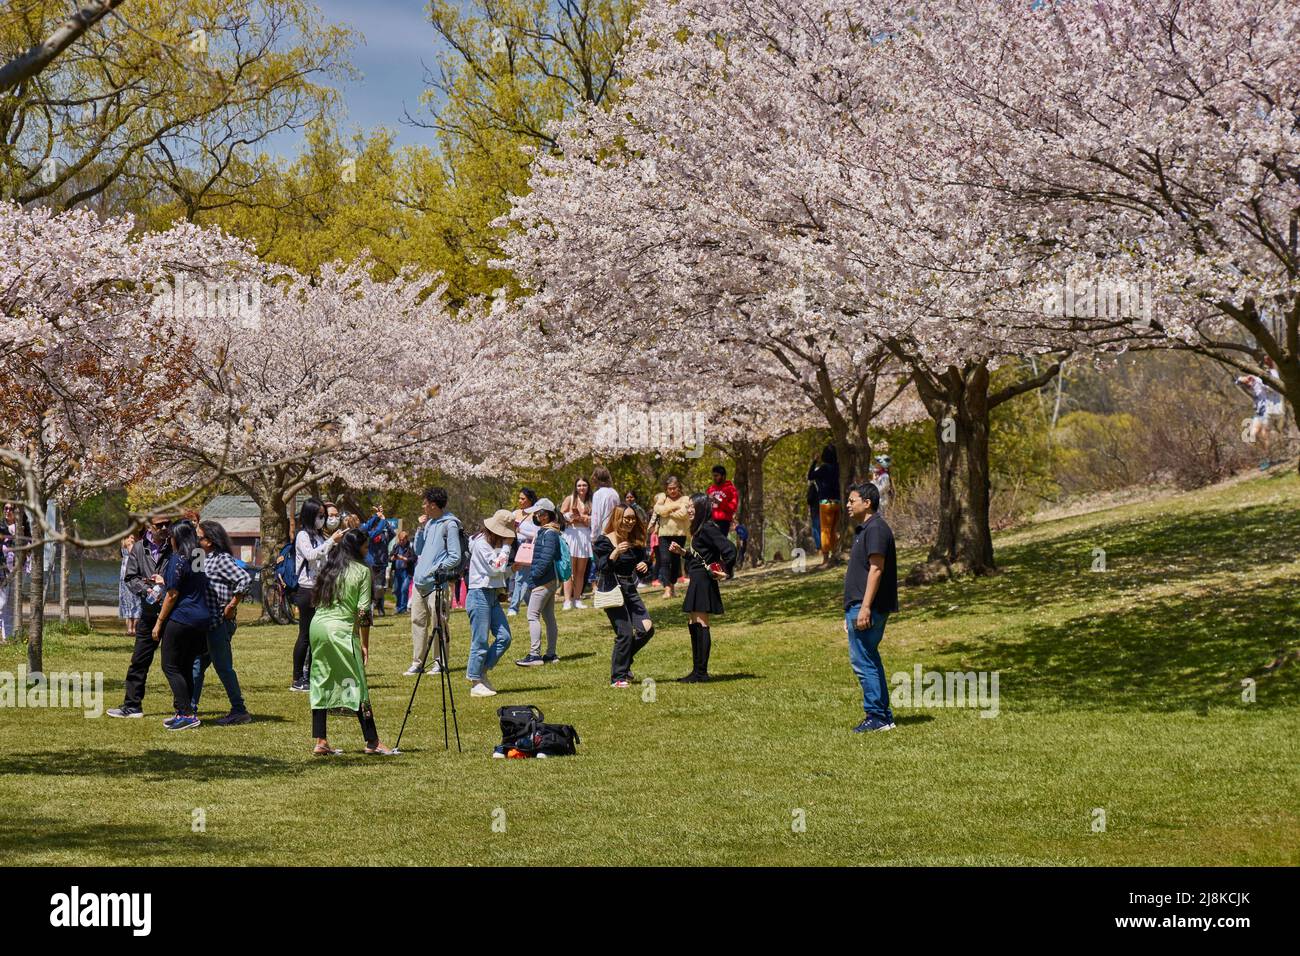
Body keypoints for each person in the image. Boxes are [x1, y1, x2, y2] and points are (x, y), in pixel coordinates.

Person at [308, 528, 397, 756]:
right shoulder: (362, 571)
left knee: (320, 679)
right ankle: (373, 741)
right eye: (365, 547)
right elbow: (363, 611)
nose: (367, 552)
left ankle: (321, 740)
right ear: (356, 548)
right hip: (342, 630)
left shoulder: (330, 567)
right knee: (358, 684)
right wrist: (364, 643)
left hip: (318, 627)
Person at [843, 482, 899, 733]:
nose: (847, 504)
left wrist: (864, 607)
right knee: (869, 658)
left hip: (868, 607)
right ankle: (884, 715)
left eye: (852, 500)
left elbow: (877, 569)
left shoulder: (875, 529)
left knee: (863, 661)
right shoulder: (865, 529)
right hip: (859, 606)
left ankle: (876, 716)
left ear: (867, 502)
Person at [107, 516, 174, 718]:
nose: (163, 528)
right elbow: (130, 577)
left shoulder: (175, 545)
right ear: (149, 527)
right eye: (159, 525)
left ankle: (185, 708)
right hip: (149, 611)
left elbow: (184, 572)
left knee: (174, 663)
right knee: (139, 660)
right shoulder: (138, 548)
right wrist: (147, 590)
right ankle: (132, 705)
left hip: (172, 611)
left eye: (167, 524)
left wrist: (166, 585)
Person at [191, 520, 252, 725]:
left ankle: (239, 709)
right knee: (197, 666)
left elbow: (245, 579)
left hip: (219, 622)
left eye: (199, 537)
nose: (196, 540)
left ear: (210, 540)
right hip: (206, 622)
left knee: (223, 667)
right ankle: (190, 709)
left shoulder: (221, 559)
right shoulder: (201, 558)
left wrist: (232, 604)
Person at [151, 521, 210, 731]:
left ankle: (186, 713)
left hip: (182, 617)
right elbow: (191, 582)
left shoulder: (178, 558)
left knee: (170, 665)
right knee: (185, 666)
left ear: (178, 538)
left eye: (172, 536)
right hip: (201, 618)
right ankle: (185, 711)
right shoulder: (198, 556)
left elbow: (173, 594)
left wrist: (159, 623)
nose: (170, 540)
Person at [671, 493, 735, 682]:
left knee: (701, 623)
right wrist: (683, 553)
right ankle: (696, 671)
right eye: (688, 506)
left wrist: (725, 569)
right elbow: (702, 557)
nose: (689, 509)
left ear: (701, 508)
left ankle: (701, 673)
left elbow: (730, 549)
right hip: (697, 579)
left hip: (704, 581)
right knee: (694, 623)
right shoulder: (699, 529)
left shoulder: (707, 527)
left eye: (692, 506)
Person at [593, 506, 655, 688]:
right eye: (626, 518)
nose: (630, 521)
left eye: (632, 518)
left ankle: (624, 661)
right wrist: (616, 552)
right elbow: (602, 567)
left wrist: (644, 565)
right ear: (616, 518)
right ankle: (618, 677)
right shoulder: (604, 542)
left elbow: (642, 567)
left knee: (647, 629)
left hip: (629, 588)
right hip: (612, 587)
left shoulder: (634, 541)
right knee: (625, 633)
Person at [407, 487, 464, 677]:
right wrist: (420, 529)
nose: (422, 506)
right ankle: (418, 663)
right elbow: (418, 550)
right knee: (418, 621)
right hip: (420, 582)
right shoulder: (429, 523)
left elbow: (455, 556)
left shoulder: (450, 524)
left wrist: (436, 570)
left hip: (436, 583)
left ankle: (440, 662)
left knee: (439, 622)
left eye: (424, 503)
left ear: (432, 504)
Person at [291, 498, 342, 693]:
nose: (323, 519)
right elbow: (311, 555)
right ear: (311, 515)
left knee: (317, 635)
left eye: (324, 515)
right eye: (320, 515)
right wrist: (331, 542)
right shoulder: (303, 535)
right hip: (306, 589)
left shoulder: (320, 536)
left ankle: (311, 673)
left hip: (320, 588)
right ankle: (297, 678)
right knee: (305, 634)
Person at [464, 509, 516, 697]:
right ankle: (475, 681)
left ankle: (481, 671)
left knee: (505, 637)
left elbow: (497, 572)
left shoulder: (490, 545)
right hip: (479, 595)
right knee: (480, 640)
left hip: (491, 595)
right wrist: (507, 547)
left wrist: (513, 569)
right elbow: (495, 568)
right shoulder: (481, 545)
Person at [514, 498, 563, 667]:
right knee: (549, 617)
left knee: (532, 615)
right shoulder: (547, 531)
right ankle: (551, 654)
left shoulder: (549, 533)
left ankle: (535, 655)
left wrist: (534, 576)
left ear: (546, 515)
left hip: (543, 580)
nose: (536, 515)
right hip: (550, 580)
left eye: (539, 512)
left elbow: (546, 558)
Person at [1236, 358, 1286, 469]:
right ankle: (1262, 456)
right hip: (1259, 411)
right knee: (1252, 436)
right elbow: (1238, 381)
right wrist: (1244, 379)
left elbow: (1275, 388)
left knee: (1264, 434)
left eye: (1267, 364)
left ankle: (1266, 459)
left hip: (1269, 409)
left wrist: (1263, 384)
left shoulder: (1272, 374)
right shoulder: (1255, 378)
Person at [652, 476, 690, 599]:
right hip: (664, 535)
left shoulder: (685, 499)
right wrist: (673, 508)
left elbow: (683, 514)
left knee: (675, 562)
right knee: (664, 560)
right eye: (670, 489)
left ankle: (672, 586)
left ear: (679, 488)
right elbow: (657, 509)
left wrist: (666, 512)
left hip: (679, 535)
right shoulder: (663, 498)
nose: (672, 491)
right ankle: (667, 588)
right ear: (666, 489)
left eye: (674, 488)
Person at [560, 477, 593, 609]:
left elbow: (595, 518)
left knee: (581, 571)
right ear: (575, 487)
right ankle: (567, 600)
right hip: (571, 534)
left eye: (584, 485)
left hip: (584, 534)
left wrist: (584, 518)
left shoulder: (591, 501)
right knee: (569, 570)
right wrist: (570, 517)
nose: (581, 488)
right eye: (579, 485)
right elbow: (561, 514)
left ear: (588, 487)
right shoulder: (570, 499)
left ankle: (577, 598)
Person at [507, 487, 539, 617]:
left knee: (520, 578)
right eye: (519, 498)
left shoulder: (535, 514)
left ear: (530, 500)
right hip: (515, 546)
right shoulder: (515, 513)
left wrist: (520, 530)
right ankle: (532, 606)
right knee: (520, 578)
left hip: (527, 546)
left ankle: (513, 607)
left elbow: (536, 534)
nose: (520, 501)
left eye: (523, 498)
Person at [360, 506, 396, 616]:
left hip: (381, 563)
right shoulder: (369, 534)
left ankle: (380, 608)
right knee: (371, 586)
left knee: (380, 588)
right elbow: (376, 531)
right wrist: (382, 519)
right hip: (371, 563)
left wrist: (386, 522)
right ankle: (370, 608)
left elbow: (392, 534)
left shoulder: (384, 534)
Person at [809, 444, 841, 567]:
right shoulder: (839, 467)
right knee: (834, 530)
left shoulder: (823, 468)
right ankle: (835, 553)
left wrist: (814, 462)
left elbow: (810, 476)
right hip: (838, 501)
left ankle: (826, 558)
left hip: (825, 503)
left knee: (825, 530)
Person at [706, 465, 739, 579]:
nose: (714, 478)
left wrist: (720, 502)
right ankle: (715, 571)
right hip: (710, 521)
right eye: (713, 476)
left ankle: (728, 570)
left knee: (721, 546)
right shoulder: (710, 489)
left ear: (723, 476)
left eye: (717, 475)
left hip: (723, 521)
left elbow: (733, 507)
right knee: (712, 547)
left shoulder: (731, 489)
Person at [588, 467, 620, 562]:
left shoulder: (598, 494)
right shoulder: (615, 493)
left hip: (602, 535)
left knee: (602, 567)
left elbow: (596, 518)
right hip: (614, 534)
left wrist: (593, 537)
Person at [118, 534, 140, 636]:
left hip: (131, 577)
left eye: (133, 538)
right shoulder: (126, 547)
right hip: (126, 578)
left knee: (134, 602)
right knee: (129, 602)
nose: (132, 539)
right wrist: (130, 544)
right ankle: (130, 629)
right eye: (130, 537)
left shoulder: (133, 547)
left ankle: (133, 629)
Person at [390, 530, 415, 614]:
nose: (401, 541)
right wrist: (392, 558)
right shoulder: (396, 546)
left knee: (404, 589)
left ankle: (403, 608)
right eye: (400, 540)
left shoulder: (410, 546)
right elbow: (390, 556)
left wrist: (404, 559)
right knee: (397, 590)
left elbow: (413, 559)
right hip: (397, 571)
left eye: (403, 540)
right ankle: (398, 607)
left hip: (407, 571)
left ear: (406, 539)